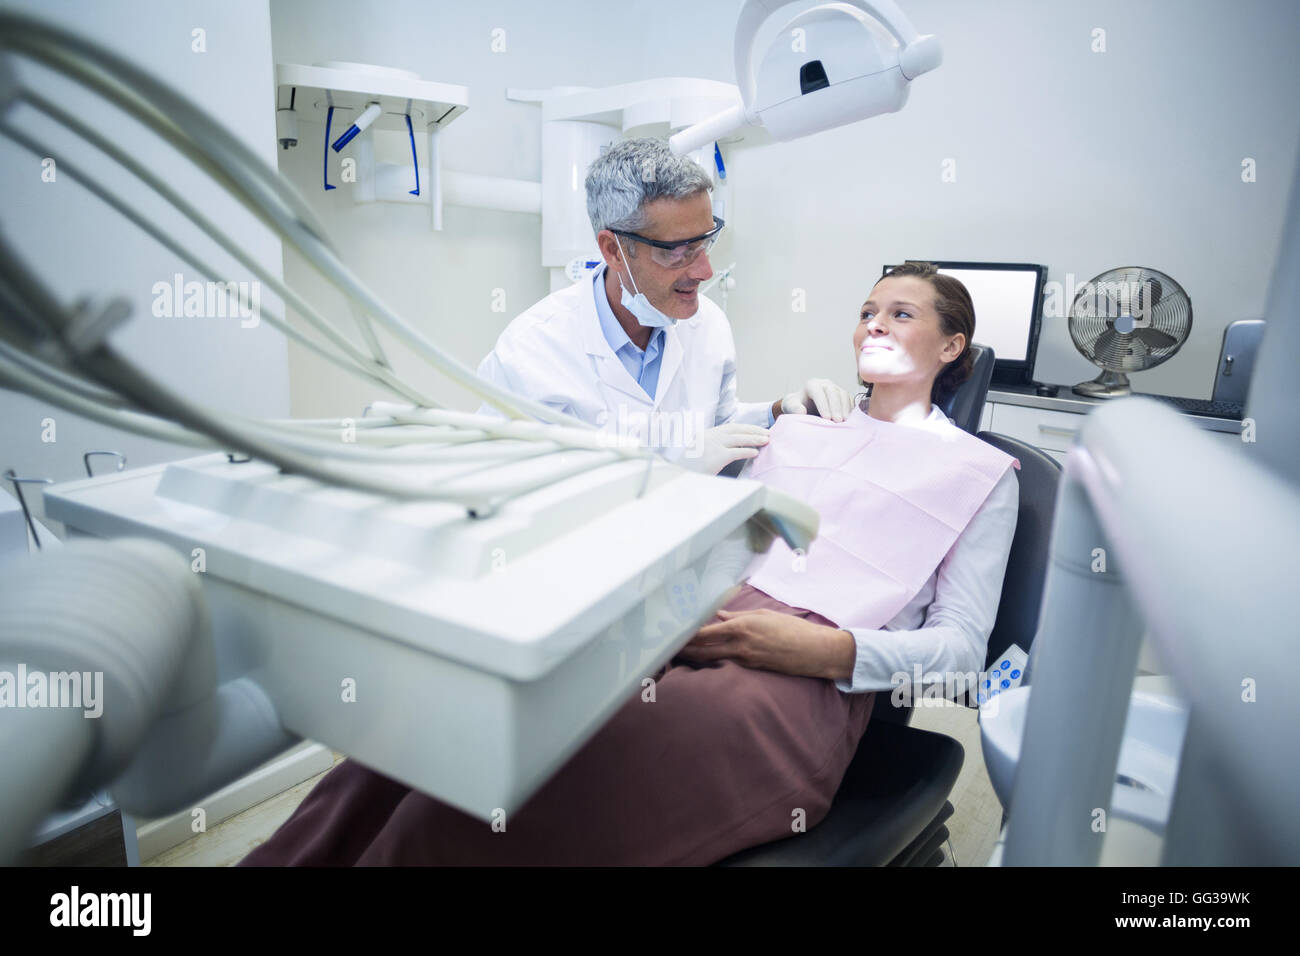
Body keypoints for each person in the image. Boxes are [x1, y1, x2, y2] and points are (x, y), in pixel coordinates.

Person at [238, 262, 1019, 867]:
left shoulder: (979, 474)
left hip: (795, 675)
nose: (871, 326)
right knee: (414, 745)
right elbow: (700, 518)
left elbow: (958, 660)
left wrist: (813, 650)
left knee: (467, 816)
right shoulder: (800, 425)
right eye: (865, 312)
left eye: (901, 313)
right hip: (679, 610)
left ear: (951, 347)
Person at [474, 137, 852, 475]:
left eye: (705, 243)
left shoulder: (708, 324)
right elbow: (504, 485)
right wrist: (668, 467)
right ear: (614, 250)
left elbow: (717, 426)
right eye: (679, 252)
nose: (705, 271)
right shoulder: (533, 352)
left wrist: (779, 412)